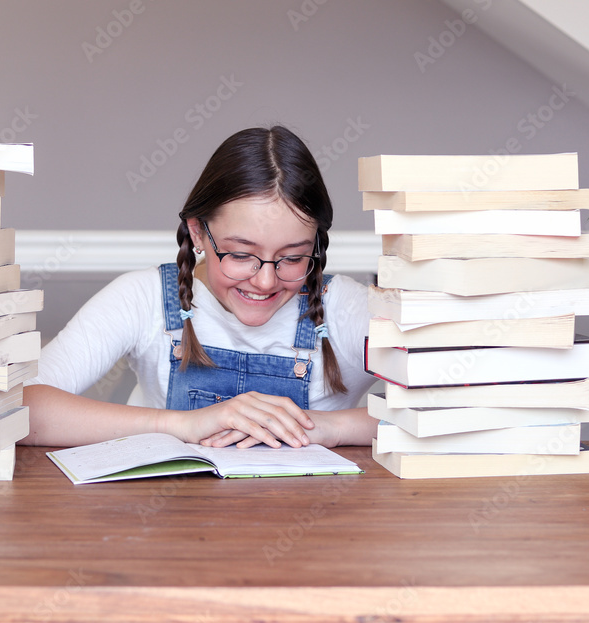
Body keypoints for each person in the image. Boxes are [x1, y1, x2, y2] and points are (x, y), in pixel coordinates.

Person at [21, 126, 378, 449]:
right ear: (197, 232)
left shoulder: (345, 308)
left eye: (293, 258)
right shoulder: (143, 297)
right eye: (240, 254)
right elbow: (22, 407)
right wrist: (182, 424)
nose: (266, 280)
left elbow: (435, 410)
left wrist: (330, 427)